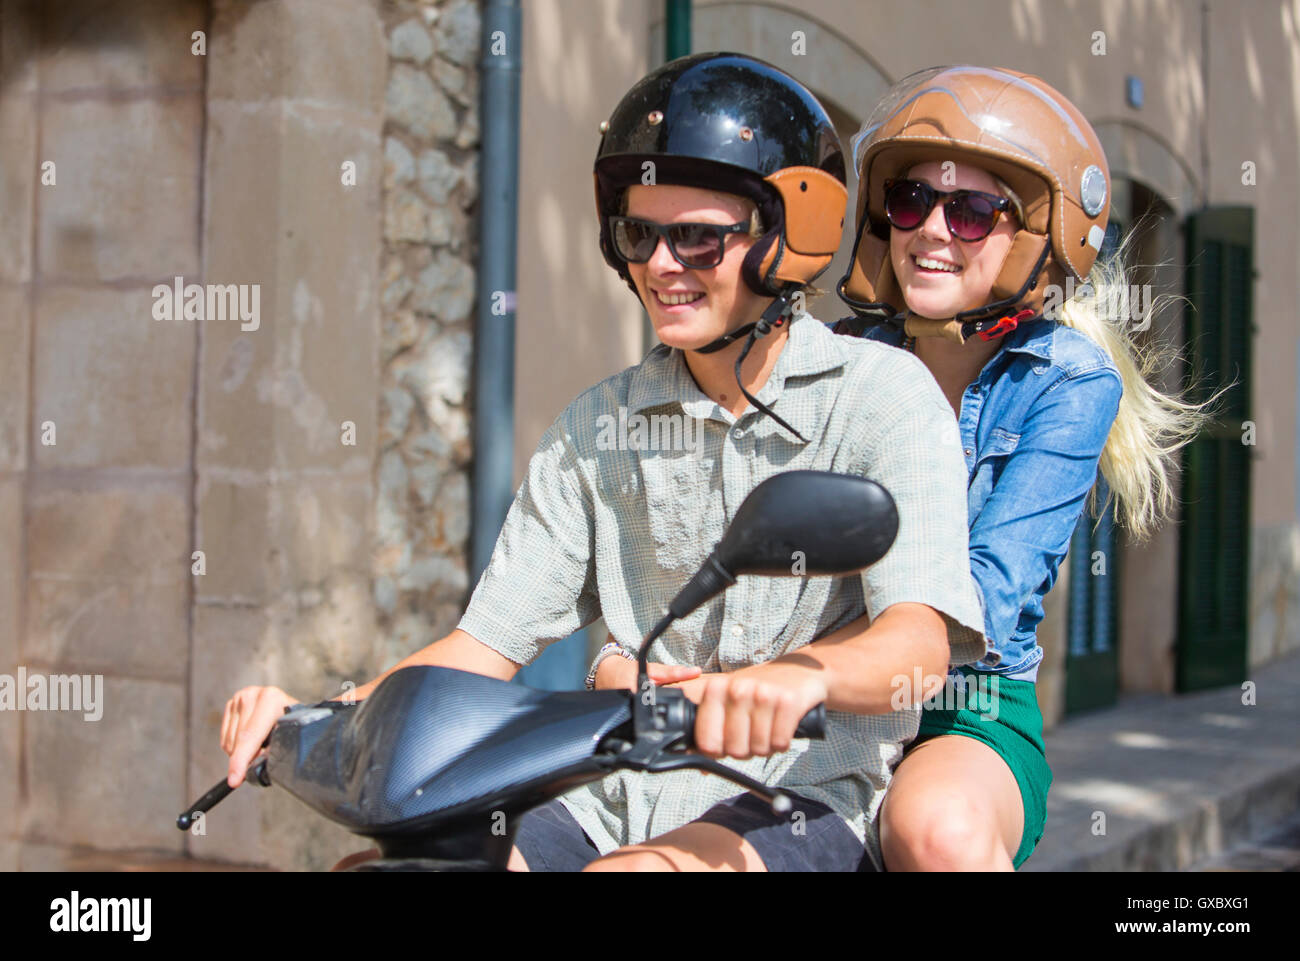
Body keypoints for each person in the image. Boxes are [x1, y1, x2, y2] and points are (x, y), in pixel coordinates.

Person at [221, 53, 987, 873]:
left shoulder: (881, 397)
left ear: (788, 238)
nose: (661, 265)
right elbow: (482, 647)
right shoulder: (597, 427)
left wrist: (798, 679)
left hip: (798, 799)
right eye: (639, 234)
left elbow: (917, 643)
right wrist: (315, 715)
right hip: (610, 791)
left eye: (695, 236)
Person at [834, 65, 1213, 870]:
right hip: (808, 681)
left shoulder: (1068, 381)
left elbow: (991, 598)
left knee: (937, 831)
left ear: (1039, 238)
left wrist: (840, 663)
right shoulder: (834, 359)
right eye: (911, 200)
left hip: (962, 701)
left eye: (972, 211)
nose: (933, 229)